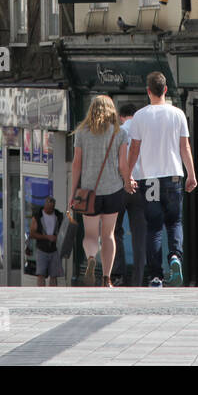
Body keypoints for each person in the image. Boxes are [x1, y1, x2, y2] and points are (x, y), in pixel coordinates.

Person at [126, 72, 197, 287]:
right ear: (165, 89)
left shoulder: (139, 116)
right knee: (174, 222)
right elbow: (184, 147)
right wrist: (191, 174)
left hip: (150, 179)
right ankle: (175, 257)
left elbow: (135, 149)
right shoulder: (178, 114)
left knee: (154, 227)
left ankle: (156, 276)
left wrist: (128, 174)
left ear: (148, 91)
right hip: (174, 176)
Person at [69, 95, 130, 286]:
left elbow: (77, 164)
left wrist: (72, 194)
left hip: (89, 193)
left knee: (90, 235)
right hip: (113, 190)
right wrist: (127, 182)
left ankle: (90, 258)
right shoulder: (119, 134)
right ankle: (107, 278)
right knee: (109, 234)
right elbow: (122, 165)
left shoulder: (82, 133)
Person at [111, 102, 142, 286]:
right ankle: (140, 278)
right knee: (140, 233)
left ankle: (118, 274)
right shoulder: (142, 131)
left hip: (120, 186)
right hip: (141, 186)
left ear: (121, 116)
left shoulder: (118, 132)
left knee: (114, 231)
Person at [29, 197, 63, 286]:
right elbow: (32, 234)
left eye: (52, 207)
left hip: (55, 249)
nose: (50, 209)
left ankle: (53, 293)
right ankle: (41, 291)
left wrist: (57, 238)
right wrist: (46, 237)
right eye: (48, 207)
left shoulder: (58, 215)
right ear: (45, 205)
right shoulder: (38, 216)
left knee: (54, 275)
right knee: (41, 274)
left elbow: (63, 231)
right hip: (42, 249)